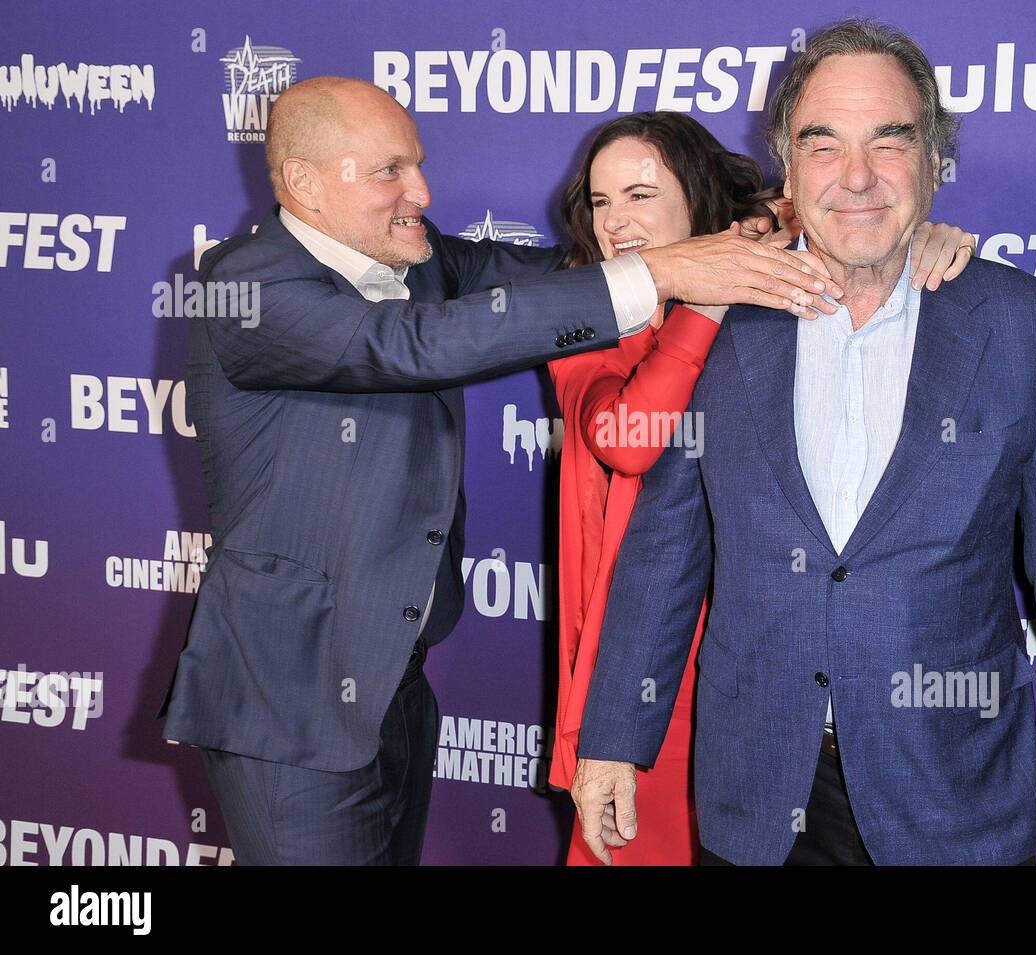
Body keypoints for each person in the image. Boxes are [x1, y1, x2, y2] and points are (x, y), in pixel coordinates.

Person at [154, 75, 846, 865]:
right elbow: (410, 345)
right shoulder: (247, 283)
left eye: (416, 163)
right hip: (287, 703)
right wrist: (668, 276)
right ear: (305, 182)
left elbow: (576, 270)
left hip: (395, 685)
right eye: (391, 171)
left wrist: (748, 228)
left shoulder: (416, 253)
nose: (422, 188)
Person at [571, 19, 1036, 866]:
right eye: (823, 144)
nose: (859, 177)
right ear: (788, 167)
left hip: (953, 791)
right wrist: (613, 733)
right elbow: (666, 545)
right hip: (761, 789)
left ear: (934, 158)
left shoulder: (1021, 325)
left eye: (890, 140)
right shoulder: (721, 317)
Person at [548, 110, 975, 865]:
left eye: (641, 195)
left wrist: (926, 242)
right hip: (641, 669)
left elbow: (857, 212)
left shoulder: (772, 279)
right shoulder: (586, 316)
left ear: (701, 203)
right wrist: (707, 298)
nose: (616, 223)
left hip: (761, 668)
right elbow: (630, 440)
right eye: (602, 202)